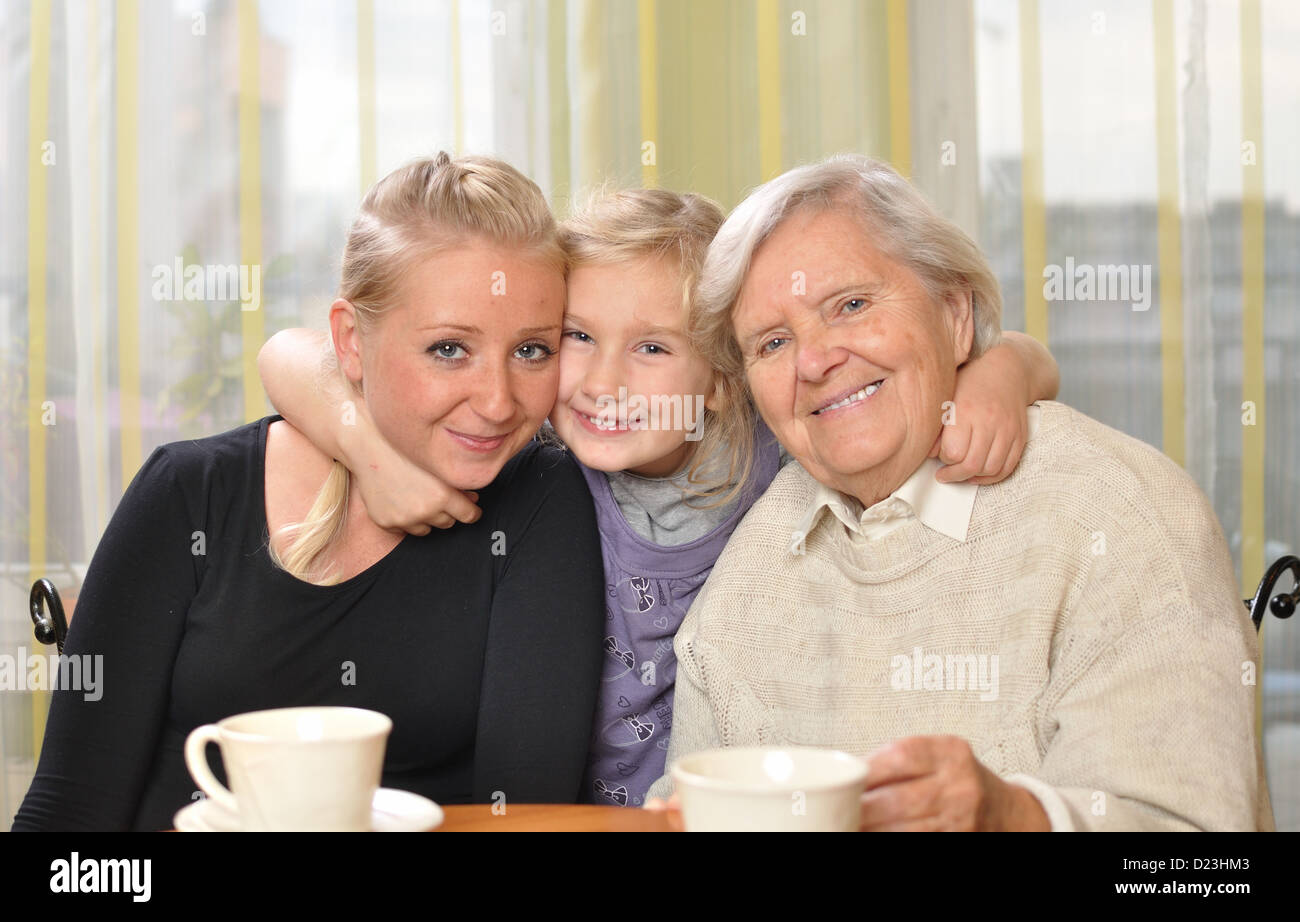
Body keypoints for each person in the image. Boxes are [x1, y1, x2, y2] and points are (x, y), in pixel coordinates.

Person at [256, 185, 1060, 809]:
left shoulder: (780, 452)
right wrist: (368, 450)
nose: (603, 382)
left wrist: (1002, 374)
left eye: (650, 347)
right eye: (576, 338)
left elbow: (997, 350)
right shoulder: (532, 453)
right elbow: (288, 355)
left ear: (722, 373)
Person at [644, 153, 1274, 831]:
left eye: (851, 305)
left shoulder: (1123, 517)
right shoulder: (746, 574)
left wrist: (1014, 818)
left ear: (955, 316)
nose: (814, 361)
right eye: (772, 343)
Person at [12, 153, 605, 831]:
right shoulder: (189, 493)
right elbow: (66, 817)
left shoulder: (539, 502)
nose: (499, 403)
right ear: (350, 341)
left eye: (532, 350)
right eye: (449, 349)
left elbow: (524, 822)